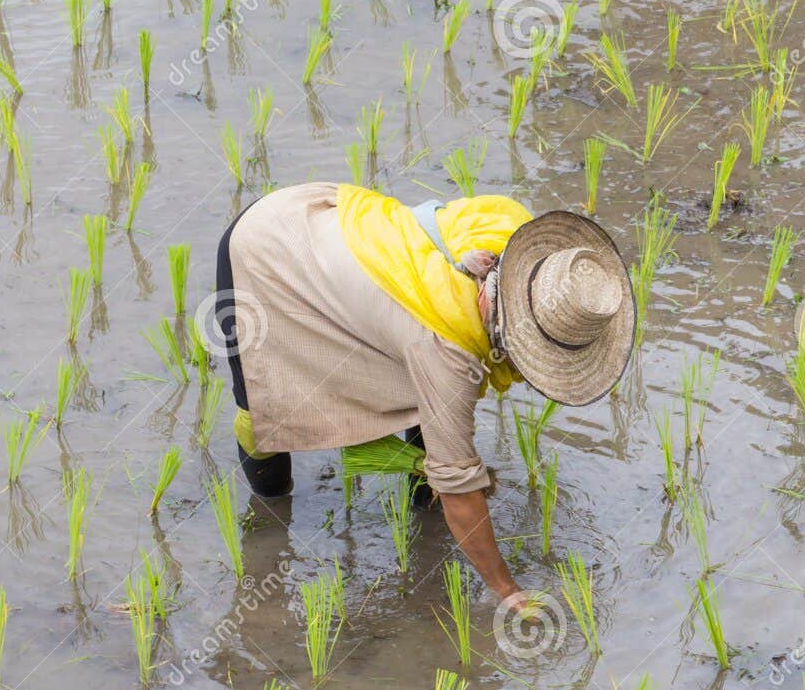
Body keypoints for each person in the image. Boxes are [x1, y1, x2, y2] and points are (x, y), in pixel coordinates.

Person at [213, 182, 634, 610]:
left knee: (419, 388)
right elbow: (459, 488)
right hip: (263, 252)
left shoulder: (508, 228)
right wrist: (509, 592)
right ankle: (268, 522)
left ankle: (421, 510)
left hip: (325, 216)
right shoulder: (446, 352)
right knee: (263, 414)